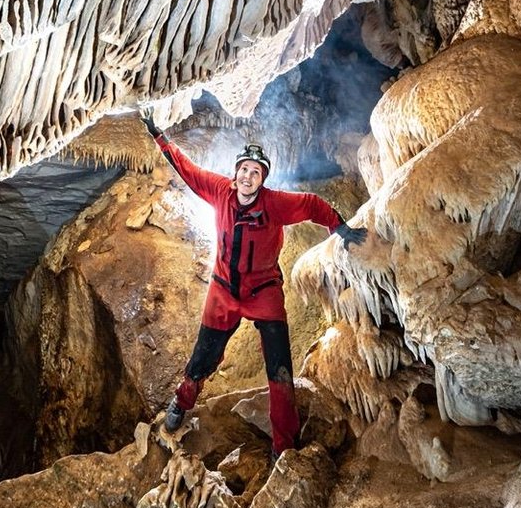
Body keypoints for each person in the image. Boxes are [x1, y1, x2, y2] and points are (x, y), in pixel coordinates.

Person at [141, 109, 367, 459]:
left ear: (262, 179)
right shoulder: (219, 190)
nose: (248, 176)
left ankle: (284, 444)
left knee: (279, 370)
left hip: (263, 293)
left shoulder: (275, 204)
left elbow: (312, 205)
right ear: (236, 174)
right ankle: (182, 402)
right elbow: (187, 170)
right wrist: (160, 137)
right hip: (223, 291)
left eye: (256, 172)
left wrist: (340, 228)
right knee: (203, 357)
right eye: (244, 170)